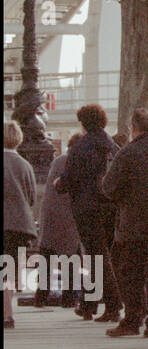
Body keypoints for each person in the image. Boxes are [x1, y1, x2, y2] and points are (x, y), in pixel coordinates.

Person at [99, 108, 148, 338]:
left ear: (132, 127)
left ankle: (132, 320)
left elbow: (108, 188)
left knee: (131, 275)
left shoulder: (126, 153)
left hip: (133, 226)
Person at [56, 104, 121, 321]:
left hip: (87, 208)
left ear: (84, 122)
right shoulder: (113, 146)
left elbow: (68, 180)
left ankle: (112, 305)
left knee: (95, 257)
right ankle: (88, 303)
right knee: (104, 255)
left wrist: (58, 183)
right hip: (110, 207)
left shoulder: (80, 148)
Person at [35, 132, 83, 309]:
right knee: (71, 259)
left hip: (50, 216)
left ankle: (41, 297)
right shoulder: (76, 162)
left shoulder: (57, 161)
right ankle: (69, 298)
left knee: (47, 256)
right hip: (69, 217)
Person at [4, 122, 38, 330]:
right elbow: (31, 197)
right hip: (18, 226)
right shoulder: (25, 165)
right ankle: (8, 314)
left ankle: (6, 312)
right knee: (7, 271)